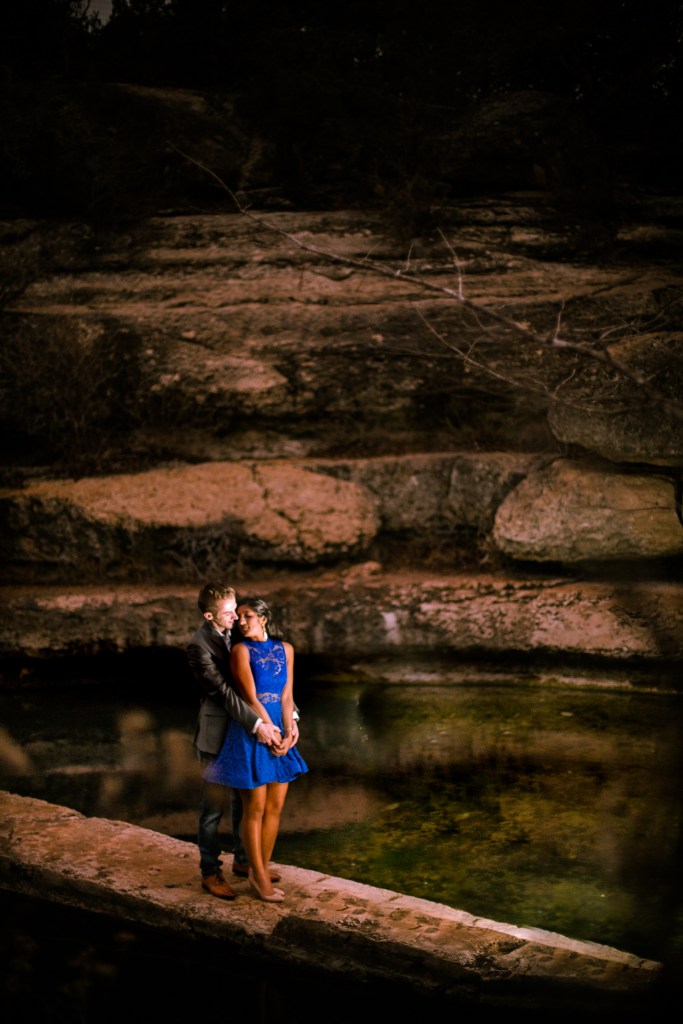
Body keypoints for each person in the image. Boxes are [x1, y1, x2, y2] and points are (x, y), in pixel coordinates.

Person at [203, 596, 309, 902]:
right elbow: (250, 698)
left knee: (275, 807)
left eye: (248, 615)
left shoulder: (286, 649)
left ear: (264, 618)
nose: (242, 621)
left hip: (280, 726)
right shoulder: (240, 650)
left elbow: (288, 695)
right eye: (239, 617)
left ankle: (260, 866)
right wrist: (269, 730)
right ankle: (258, 876)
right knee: (256, 807)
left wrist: (290, 732)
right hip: (253, 730)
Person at [186, 582, 284, 900]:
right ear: (209, 615)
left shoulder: (238, 632)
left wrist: (290, 715)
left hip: (243, 735)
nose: (236, 618)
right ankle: (210, 873)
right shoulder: (199, 646)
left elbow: (268, 678)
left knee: (244, 803)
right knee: (213, 809)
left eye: (237, 610)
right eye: (229, 613)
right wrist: (258, 725)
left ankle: (244, 862)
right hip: (219, 734)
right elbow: (227, 693)